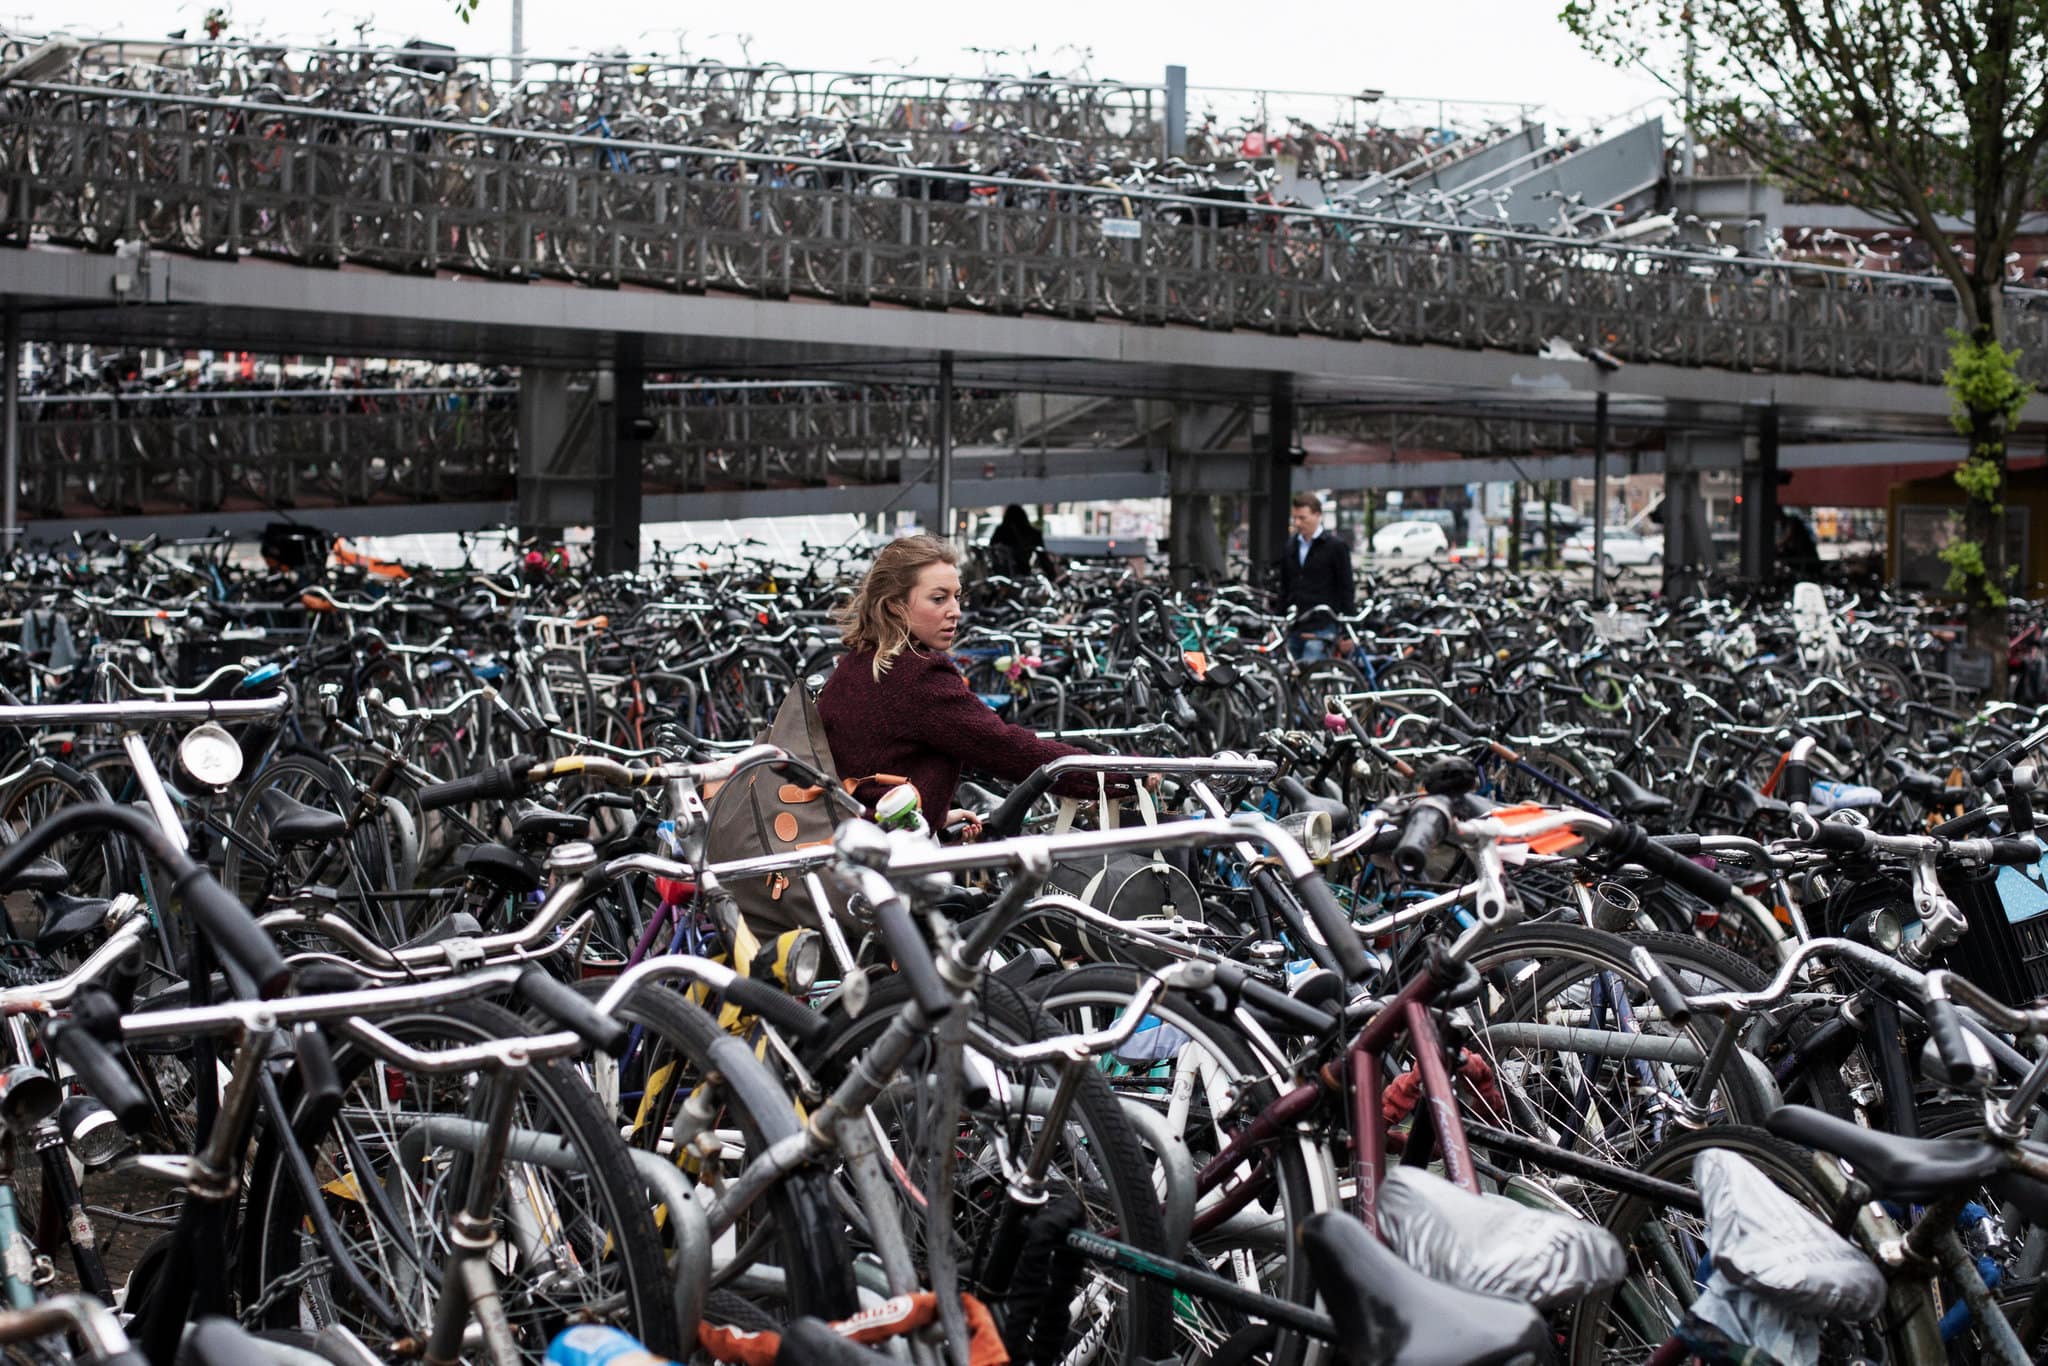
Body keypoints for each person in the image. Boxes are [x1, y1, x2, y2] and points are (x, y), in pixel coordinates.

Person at [817, 535, 1152, 838]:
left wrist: (933, 815)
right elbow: (1004, 748)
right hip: (891, 862)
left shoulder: (859, 662)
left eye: (957, 597)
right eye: (938, 599)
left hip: (856, 842)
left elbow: (873, 769)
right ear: (895, 605)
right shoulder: (916, 675)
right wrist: (1118, 776)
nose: (955, 612)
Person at [1278, 492, 1354, 661]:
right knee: (1292, 676)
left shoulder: (1335, 547)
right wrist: (1278, 621)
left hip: (1323, 624)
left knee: (1310, 673)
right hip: (1296, 624)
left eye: (1303, 518)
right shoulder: (1291, 546)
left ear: (1317, 515)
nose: (1298, 523)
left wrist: (1348, 630)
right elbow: (1284, 587)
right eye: (1295, 518)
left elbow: (1346, 588)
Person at [987, 504, 1050, 580]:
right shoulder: (1032, 533)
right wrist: (1051, 574)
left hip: (1002, 573)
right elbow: (1043, 557)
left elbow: (991, 549)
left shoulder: (1001, 532)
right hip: (1024, 570)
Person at [1777, 510, 1823, 579]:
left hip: (1806, 560)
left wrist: (1777, 546)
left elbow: (1787, 537)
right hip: (1803, 559)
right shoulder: (1788, 523)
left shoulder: (1792, 521)